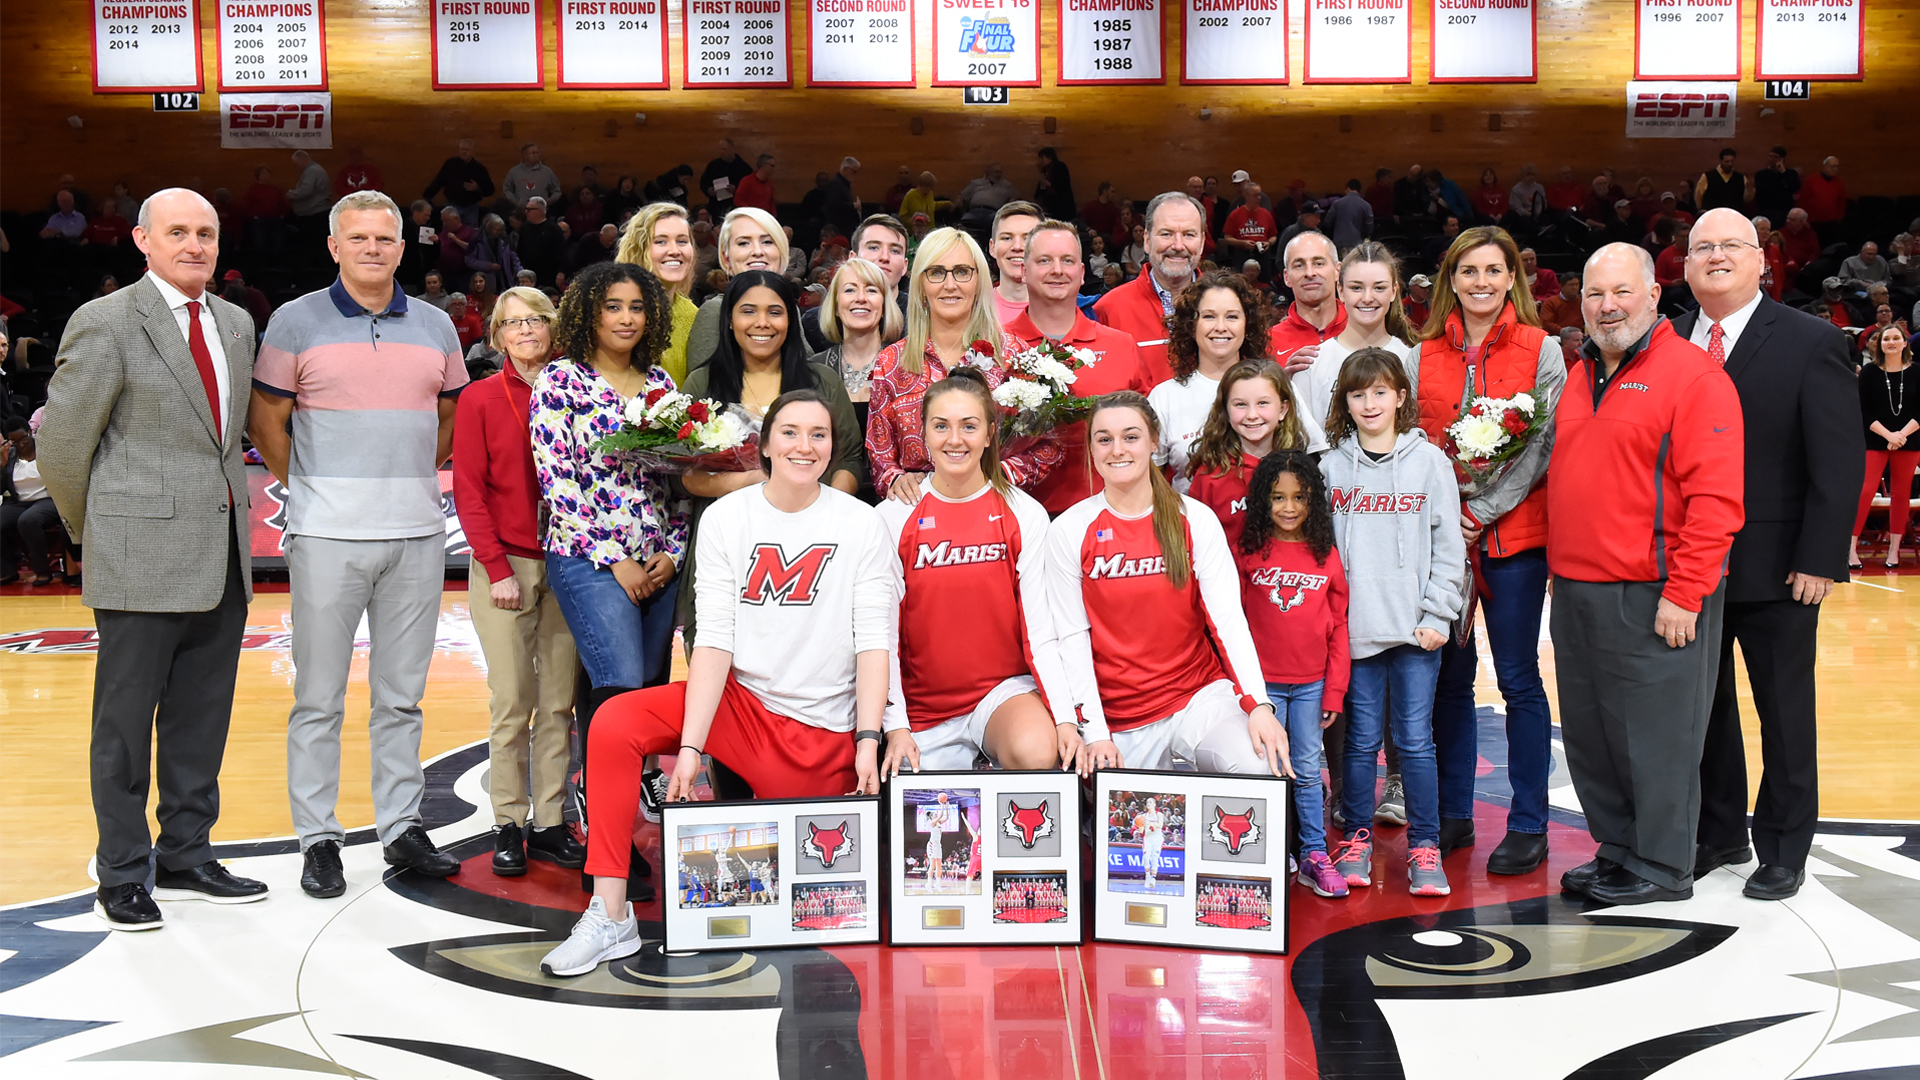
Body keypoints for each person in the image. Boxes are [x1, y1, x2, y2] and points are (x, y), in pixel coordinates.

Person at [538, 391, 892, 977]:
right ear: (767, 443)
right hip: (742, 705)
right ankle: (610, 912)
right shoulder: (730, 517)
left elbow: (874, 638)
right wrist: (691, 749)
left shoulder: (859, 522)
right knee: (615, 722)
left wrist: (869, 738)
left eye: (819, 435)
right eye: (791, 432)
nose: (805, 446)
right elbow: (715, 639)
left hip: (820, 727)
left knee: (816, 892)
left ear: (832, 446)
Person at [36, 188, 264, 929]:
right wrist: (98, 532)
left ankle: (188, 852)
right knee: (126, 726)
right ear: (142, 239)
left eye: (206, 233)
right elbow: (64, 448)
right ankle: (124, 870)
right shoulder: (103, 322)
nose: (195, 245)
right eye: (178, 232)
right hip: (138, 554)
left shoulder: (233, 322)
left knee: (202, 719)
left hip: (222, 553)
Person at [248, 191, 469, 900]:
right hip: (325, 534)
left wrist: (401, 476)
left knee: (400, 699)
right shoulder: (294, 320)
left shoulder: (436, 325)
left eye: (385, 238)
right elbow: (266, 422)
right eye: (359, 237)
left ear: (404, 249)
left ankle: (401, 827)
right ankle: (319, 838)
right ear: (335, 246)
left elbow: (450, 414)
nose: (373, 248)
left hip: (416, 533)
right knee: (318, 698)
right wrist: (314, 487)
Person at [1673, 209, 1864, 902]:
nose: (1716, 256)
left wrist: (1820, 556)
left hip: (1781, 564)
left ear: (1763, 261)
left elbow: (1838, 460)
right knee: (1707, 709)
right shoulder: (1668, 344)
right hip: (1689, 566)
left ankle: (1784, 844)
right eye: (1702, 248)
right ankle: (1719, 831)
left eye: (1731, 246)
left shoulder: (1810, 341)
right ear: (1685, 267)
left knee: (1784, 709)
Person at [1550, 242, 1745, 905]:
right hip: (1576, 590)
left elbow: (1718, 501)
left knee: (1658, 740)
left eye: (1621, 292)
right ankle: (1620, 850)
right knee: (1594, 737)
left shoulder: (1694, 377)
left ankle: (1663, 865)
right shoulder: (1578, 376)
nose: (1607, 307)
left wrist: (1686, 592)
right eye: (1594, 295)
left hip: (1655, 591)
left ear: (1654, 295)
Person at [1413, 226, 1564, 874]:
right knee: (1450, 681)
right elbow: (1417, 449)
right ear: (1452, 278)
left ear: (1511, 279)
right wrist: (1450, 518)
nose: (1480, 282)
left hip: (1514, 542)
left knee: (1518, 680)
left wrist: (1481, 510)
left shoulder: (1543, 348)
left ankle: (1529, 823)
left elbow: (1541, 447)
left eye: (1492, 271)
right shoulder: (1421, 354)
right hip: (1443, 546)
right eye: (1468, 271)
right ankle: (1454, 815)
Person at [1043, 392, 1290, 779]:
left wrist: (1258, 704)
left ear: (1154, 441)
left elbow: (1227, 621)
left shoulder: (1195, 519)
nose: (1117, 449)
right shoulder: (1069, 530)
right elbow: (1070, 638)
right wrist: (1095, 732)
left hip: (1196, 697)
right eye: (1104, 439)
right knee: (1133, 832)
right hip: (1120, 715)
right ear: (1091, 447)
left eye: (1131, 436)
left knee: (1257, 759)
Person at [876, 367, 1081, 774]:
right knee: (934, 832)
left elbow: (1042, 628)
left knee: (1038, 751)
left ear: (990, 434)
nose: (955, 440)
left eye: (969, 426)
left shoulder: (1024, 513)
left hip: (1001, 694)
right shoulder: (892, 517)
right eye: (941, 426)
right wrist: (895, 726)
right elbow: (881, 634)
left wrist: (1064, 718)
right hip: (923, 709)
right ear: (924, 434)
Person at [1319, 348, 1465, 896]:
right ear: (1346, 402)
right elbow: (1324, 557)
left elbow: (1449, 547)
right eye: (1358, 394)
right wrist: (1333, 628)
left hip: (1415, 632)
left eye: (1380, 391)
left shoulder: (1430, 464)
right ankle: (1356, 838)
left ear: (1401, 397)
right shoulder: (1332, 468)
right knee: (1358, 744)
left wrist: (1438, 614)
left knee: (1414, 741)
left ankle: (1425, 848)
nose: (1369, 403)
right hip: (1357, 632)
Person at [452, 287, 586, 877]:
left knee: (558, 705)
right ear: (497, 335)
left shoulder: (578, 393)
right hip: (505, 563)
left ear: (555, 328)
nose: (527, 331)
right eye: (513, 323)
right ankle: (507, 820)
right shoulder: (480, 398)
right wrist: (497, 567)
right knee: (512, 702)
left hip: (570, 560)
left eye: (537, 320)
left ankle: (551, 821)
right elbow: (469, 490)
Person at [532, 261, 688, 720]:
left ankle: (643, 781)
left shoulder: (661, 383)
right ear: (587, 314)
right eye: (613, 307)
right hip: (590, 559)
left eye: (637, 308)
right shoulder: (561, 380)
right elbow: (558, 483)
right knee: (618, 679)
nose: (626, 319)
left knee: (651, 682)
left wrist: (674, 553)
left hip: (658, 561)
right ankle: (600, 789)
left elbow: (680, 477)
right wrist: (616, 560)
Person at [677, 271, 866, 646]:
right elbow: (684, 476)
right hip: (728, 543)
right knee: (719, 651)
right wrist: (754, 483)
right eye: (748, 311)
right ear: (729, 319)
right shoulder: (702, 385)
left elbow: (850, 460)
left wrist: (825, 516)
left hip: (813, 544)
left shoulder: (822, 381)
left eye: (775, 312)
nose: (762, 323)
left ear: (791, 320)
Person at [867, 227, 1061, 501]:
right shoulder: (891, 363)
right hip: (918, 512)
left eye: (961, 271)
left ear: (978, 281)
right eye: (936, 272)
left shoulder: (1015, 356)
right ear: (921, 283)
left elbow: (1049, 447)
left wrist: (998, 476)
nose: (950, 285)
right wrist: (896, 480)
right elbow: (880, 454)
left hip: (996, 508)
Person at [1236, 450, 1350, 898]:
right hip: (1261, 689)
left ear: (1313, 502)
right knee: (1264, 768)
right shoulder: (1247, 553)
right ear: (1262, 501)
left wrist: (1334, 692)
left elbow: (1339, 627)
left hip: (1311, 686)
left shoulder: (1326, 557)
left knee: (1304, 767)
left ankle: (1314, 854)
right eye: (1278, 497)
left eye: (1299, 497)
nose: (1288, 507)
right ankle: (1269, 849)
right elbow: (1231, 623)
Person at [1004, 221, 1147, 513]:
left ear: (1081, 274)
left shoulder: (1122, 346)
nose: (1057, 270)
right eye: (1044, 260)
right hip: (1020, 518)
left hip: (1109, 516)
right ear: (1023, 271)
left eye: (1067, 261)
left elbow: (1145, 435)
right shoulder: (996, 348)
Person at [1292, 242, 1419, 455]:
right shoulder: (1311, 364)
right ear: (1340, 291)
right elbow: (1304, 447)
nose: (1367, 297)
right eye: (1356, 287)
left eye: (1379, 287)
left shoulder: (1412, 359)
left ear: (1393, 291)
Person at [1151, 270, 1274, 489]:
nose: (1220, 327)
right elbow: (1151, 482)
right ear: (1191, 324)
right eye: (1209, 316)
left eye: (1232, 316)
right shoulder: (1165, 397)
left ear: (1248, 324)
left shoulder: (1276, 386)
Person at [1185, 359, 1306, 549]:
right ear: (1226, 409)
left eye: (1263, 403)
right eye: (1240, 404)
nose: (1251, 415)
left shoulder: (1302, 470)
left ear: (1283, 409)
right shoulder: (1210, 477)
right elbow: (1194, 543)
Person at [1095, 192, 1209, 388]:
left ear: (1202, 242)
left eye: (1189, 234)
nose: (1178, 246)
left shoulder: (1229, 307)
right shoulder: (1108, 309)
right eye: (1166, 234)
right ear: (1147, 240)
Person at [684, 207, 790, 375]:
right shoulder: (714, 311)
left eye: (767, 242)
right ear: (726, 258)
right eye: (743, 243)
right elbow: (703, 390)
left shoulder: (790, 308)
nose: (757, 251)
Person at [814, 256, 903, 439]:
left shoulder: (906, 365)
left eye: (871, 290)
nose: (861, 298)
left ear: (884, 304)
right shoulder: (814, 371)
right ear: (836, 306)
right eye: (849, 290)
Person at [614, 202, 700, 385]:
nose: (674, 251)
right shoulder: (611, 311)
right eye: (661, 241)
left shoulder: (693, 315)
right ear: (638, 249)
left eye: (682, 241)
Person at [1854, 324, 1917, 569]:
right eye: (1886, 339)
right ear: (1879, 345)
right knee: (1865, 491)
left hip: (1909, 439)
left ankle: (1894, 551)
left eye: (1895, 338)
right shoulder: (1869, 372)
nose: (1891, 342)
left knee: (1902, 494)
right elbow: (1863, 410)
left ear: (1905, 343)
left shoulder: (1917, 372)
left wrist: (1900, 434)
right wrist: (1888, 435)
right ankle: (1850, 549)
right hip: (1874, 439)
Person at [1, 415, 66, 586]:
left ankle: (42, 572)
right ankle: (7, 571)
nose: (20, 444)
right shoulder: (10, 454)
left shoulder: (46, 450)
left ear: (30, 432)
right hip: (19, 501)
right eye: (14, 441)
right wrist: (2, 464)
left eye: (23, 438)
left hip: (47, 498)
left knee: (28, 521)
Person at [988, 200, 1044, 329]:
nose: (1017, 247)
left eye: (1027, 238)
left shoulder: (1069, 308)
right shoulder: (972, 308)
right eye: (1007, 238)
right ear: (992, 248)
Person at [423, 138, 494, 226]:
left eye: (467, 150)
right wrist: (427, 195)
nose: (464, 152)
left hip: (470, 207)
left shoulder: (479, 169)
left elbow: (490, 190)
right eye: (462, 149)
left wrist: (477, 188)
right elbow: (439, 181)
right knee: (448, 231)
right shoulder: (450, 164)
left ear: (472, 151)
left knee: (470, 234)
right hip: (452, 205)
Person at [1223, 183, 1280, 270]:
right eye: (1255, 195)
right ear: (1246, 196)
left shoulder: (1266, 214)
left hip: (1262, 255)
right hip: (1243, 254)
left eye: (1259, 195)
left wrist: (1268, 243)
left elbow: (1273, 236)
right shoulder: (1235, 214)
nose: (1259, 198)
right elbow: (1227, 238)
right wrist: (1243, 243)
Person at [1799, 156, 1847, 246]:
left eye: (1836, 166)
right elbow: (1802, 201)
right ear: (1825, 166)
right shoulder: (1811, 180)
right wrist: (1804, 220)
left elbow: (1841, 204)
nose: (1834, 169)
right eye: (1832, 166)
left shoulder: (1839, 183)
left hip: (1831, 224)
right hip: (1813, 223)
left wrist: (1838, 219)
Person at [701, 138, 753, 218]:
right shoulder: (713, 165)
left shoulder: (743, 167)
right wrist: (708, 190)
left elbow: (750, 188)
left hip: (735, 207)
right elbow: (703, 182)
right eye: (720, 149)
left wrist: (736, 190)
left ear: (732, 149)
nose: (722, 152)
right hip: (716, 207)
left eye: (724, 149)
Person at [1752, 146, 1801, 229]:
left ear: (1782, 159)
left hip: (1784, 211)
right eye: (1770, 156)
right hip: (1766, 210)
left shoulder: (1791, 174)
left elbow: (1794, 187)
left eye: (1775, 157)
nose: (1772, 159)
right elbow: (1762, 192)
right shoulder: (1761, 174)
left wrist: (1783, 172)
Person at [503, 143, 563, 209]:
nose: (535, 155)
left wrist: (549, 201)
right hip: (521, 210)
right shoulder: (514, 172)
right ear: (524, 155)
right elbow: (507, 190)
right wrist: (516, 202)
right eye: (533, 153)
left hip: (541, 210)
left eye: (537, 153)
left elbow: (556, 190)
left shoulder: (547, 171)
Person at [1323, 180, 1374, 254]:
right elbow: (1369, 227)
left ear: (1348, 189)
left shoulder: (1337, 203)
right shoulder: (1366, 205)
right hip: (1356, 242)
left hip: (1339, 242)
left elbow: (1328, 222)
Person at [1695, 148, 1750, 214]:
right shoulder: (1708, 176)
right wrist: (1700, 209)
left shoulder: (1741, 177)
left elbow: (1746, 199)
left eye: (1732, 161)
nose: (1730, 164)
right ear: (1721, 161)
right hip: (1713, 214)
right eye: (1727, 161)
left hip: (1734, 215)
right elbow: (1698, 195)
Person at [1034, 147, 1076, 223]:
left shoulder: (1060, 167)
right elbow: (1042, 183)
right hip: (1049, 201)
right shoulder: (1045, 169)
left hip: (1061, 202)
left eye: (1043, 158)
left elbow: (1064, 183)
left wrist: (1050, 184)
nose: (1041, 160)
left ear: (1049, 157)